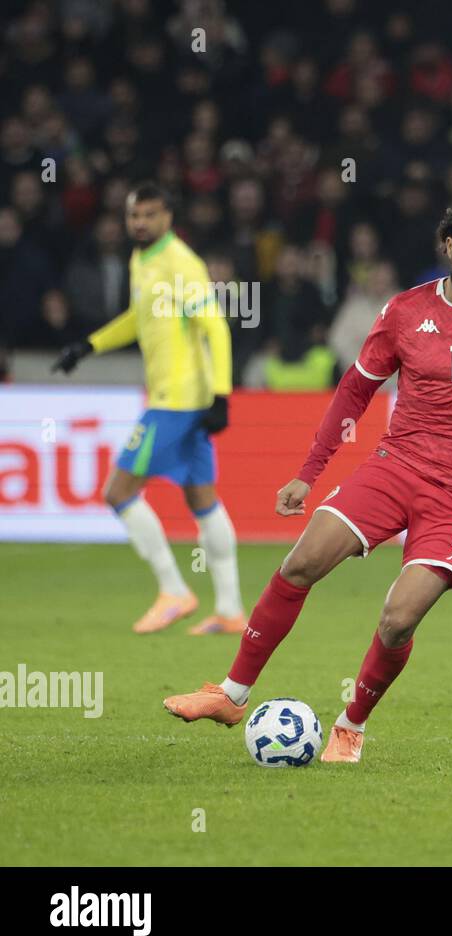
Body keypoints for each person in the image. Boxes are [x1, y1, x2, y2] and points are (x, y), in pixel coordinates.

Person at [161, 194, 452, 763]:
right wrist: (309, 473)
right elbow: (355, 390)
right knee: (301, 562)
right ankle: (232, 694)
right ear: (450, 248)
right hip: (394, 467)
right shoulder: (405, 312)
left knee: (399, 619)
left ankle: (352, 724)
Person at [51, 182, 243, 635]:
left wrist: (221, 393)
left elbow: (216, 328)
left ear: (168, 216)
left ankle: (174, 590)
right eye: (133, 215)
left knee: (117, 492)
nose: (139, 222)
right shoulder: (141, 260)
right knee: (202, 499)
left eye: (149, 214)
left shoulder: (182, 264)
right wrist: (88, 346)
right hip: (182, 400)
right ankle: (231, 609)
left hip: (176, 401)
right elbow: (139, 319)